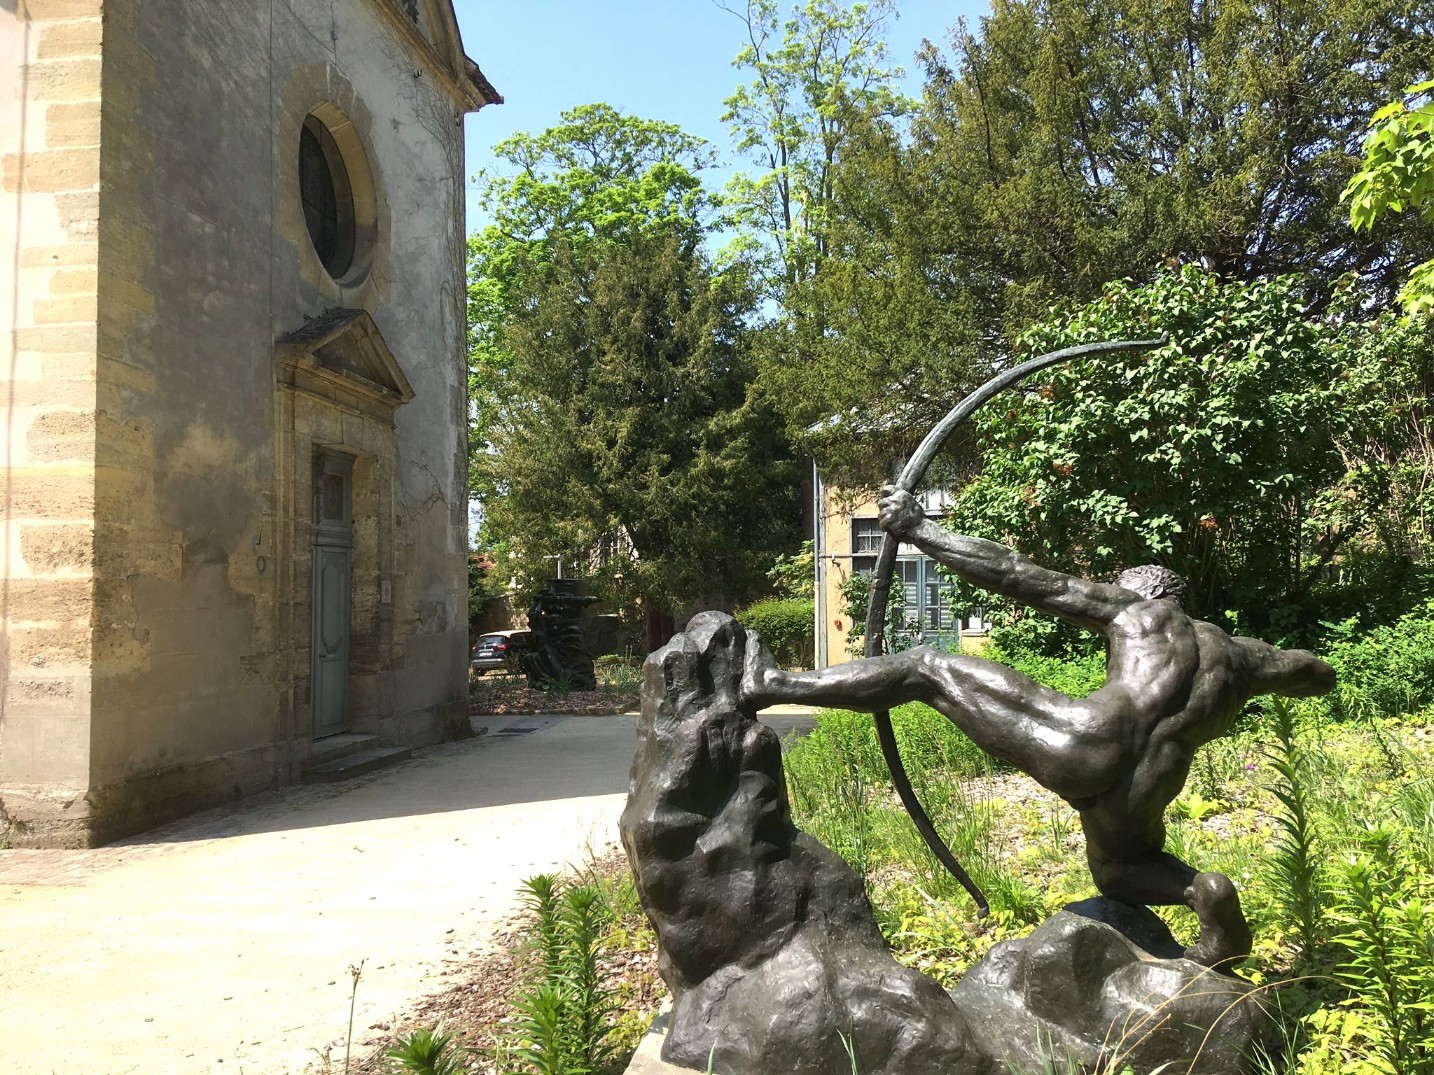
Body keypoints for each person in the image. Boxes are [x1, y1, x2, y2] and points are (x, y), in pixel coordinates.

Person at [742, 488, 1335, 967]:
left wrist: (922, 530)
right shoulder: (1239, 658)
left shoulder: (1137, 609)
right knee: (1118, 871)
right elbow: (1314, 672)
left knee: (927, 669)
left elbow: (1024, 577)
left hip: (1088, 741)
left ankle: (772, 686)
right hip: (1153, 781)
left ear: (1143, 589)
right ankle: (1203, 892)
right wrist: (1294, 668)